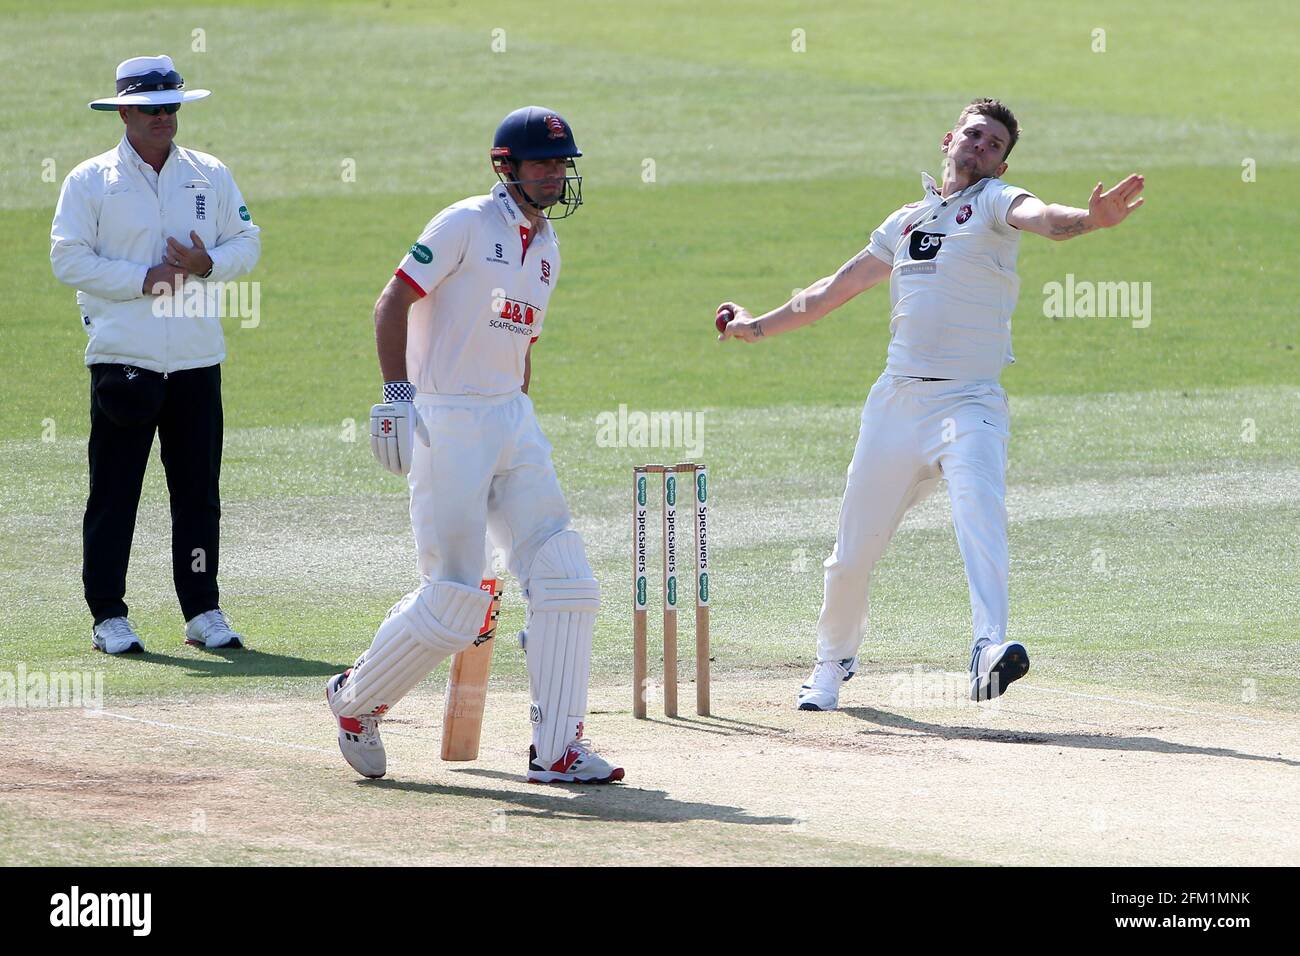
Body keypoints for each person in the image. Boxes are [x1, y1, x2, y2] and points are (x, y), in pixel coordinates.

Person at [716, 98, 1145, 707]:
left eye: (995, 144)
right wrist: (752, 327)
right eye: (974, 136)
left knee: (980, 515)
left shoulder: (997, 203)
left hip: (971, 403)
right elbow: (832, 289)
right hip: (896, 405)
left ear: (1001, 163)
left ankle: (988, 649)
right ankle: (831, 663)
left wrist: (1091, 220)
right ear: (949, 139)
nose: (981, 148)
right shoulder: (906, 221)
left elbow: (1045, 217)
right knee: (851, 556)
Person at [326, 106, 624, 784]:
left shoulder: (547, 247)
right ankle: (354, 700)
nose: (556, 174)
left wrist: (520, 417)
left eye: (563, 163)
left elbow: (522, 348)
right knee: (457, 603)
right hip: (448, 420)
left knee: (568, 581)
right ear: (506, 167)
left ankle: (557, 750)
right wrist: (397, 398)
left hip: (511, 420)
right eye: (544, 163)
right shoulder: (462, 222)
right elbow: (392, 302)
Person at [50, 54, 261, 654]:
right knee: (115, 491)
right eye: (151, 108)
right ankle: (108, 614)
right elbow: (68, 258)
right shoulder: (90, 180)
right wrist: (144, 279)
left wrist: (207, 265)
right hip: (124, 356)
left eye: (172, 106)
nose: (164, 117)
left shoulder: (209, 173)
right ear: (125, 111)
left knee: (198, 491)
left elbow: (247, 240)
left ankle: (202, 609)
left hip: (196, 357)